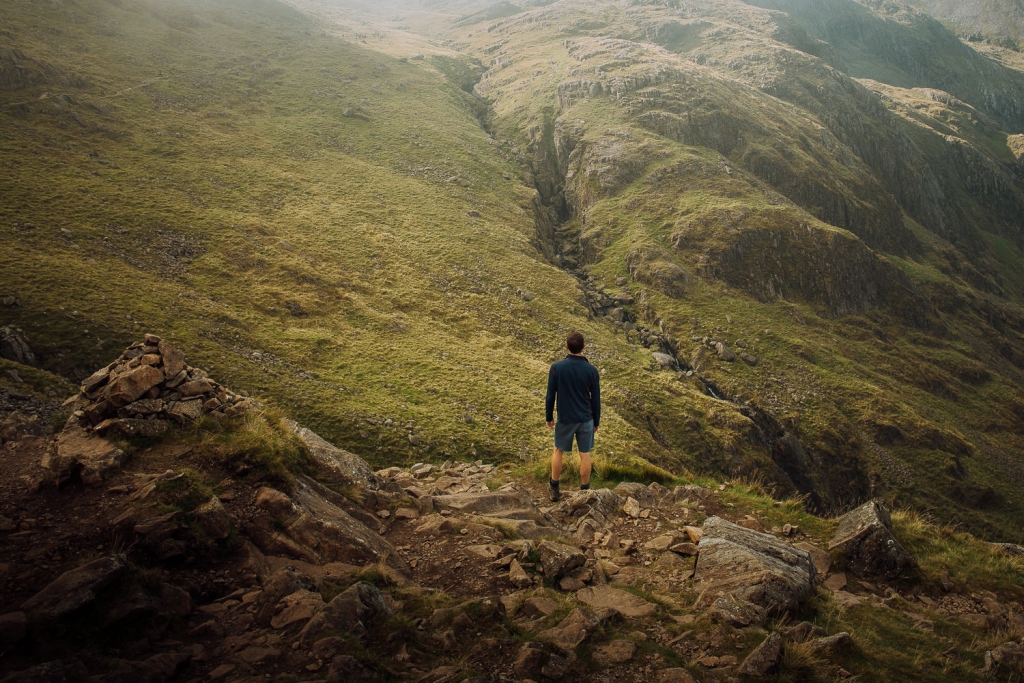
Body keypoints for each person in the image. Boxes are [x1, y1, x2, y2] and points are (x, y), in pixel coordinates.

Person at [545, 331, 601, 502]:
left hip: (565, 418)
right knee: (585, 454)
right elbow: (596, 399)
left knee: (558, 451)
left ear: (567, 346)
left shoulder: (557, 368)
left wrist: (549, 417)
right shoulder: (591, 370)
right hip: (585, 418)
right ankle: (585, 490)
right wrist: (596, 421)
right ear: (583, 347)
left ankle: (554, 487)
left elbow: (550, 395)